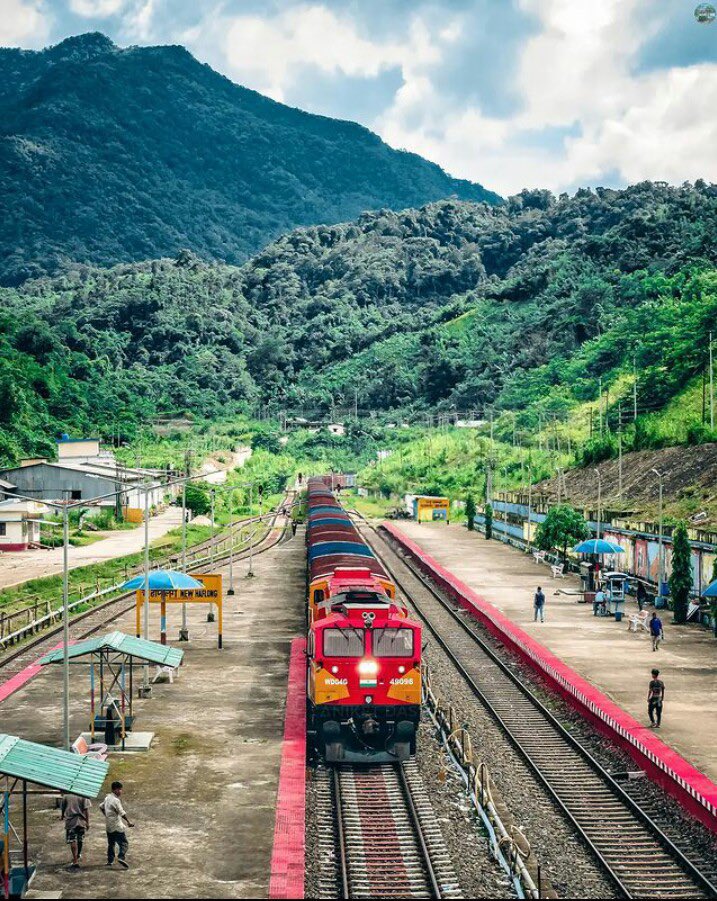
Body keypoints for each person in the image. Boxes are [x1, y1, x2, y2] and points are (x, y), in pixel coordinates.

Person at [100, 781, 134, 869]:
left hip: (109, 825)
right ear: (115, 790)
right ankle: (121, 857)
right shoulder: (115, 800)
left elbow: (101, 806)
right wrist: (128, 822)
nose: (121, 791)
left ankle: (110, 860)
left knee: (111, 844)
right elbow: (121, 812)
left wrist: (106, 815)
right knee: (124, 843)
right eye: (120, 789)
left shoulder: (107, 798)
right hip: (117, 825)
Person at [61, 792, 91, 869]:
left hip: (70, 821)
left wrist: (62, 816)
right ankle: (78, 855)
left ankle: (75, 860)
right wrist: (87, 822)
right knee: (80, 839)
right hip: (81, 820)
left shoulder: (66, 795)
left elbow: (63, 808)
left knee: (72, 840)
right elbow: (86, 810)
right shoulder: (83, 795)